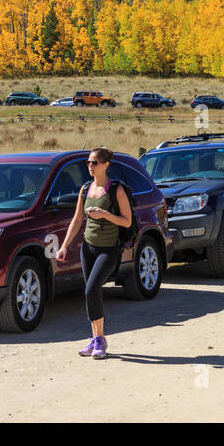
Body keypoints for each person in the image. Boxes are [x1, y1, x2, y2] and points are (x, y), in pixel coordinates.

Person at [57, 146, 132, 359]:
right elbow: (77, 219)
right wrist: (64, 246)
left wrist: (105, 214)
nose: (90, 166)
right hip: (88, 247)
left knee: (92, 290)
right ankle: (96, 339)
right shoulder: (85, 188)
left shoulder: (115, 189)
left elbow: (127, 221)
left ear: (105, 165)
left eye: (94, 163)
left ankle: (100, 340)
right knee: (91, 292)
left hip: (109, 249)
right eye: (88, 163)